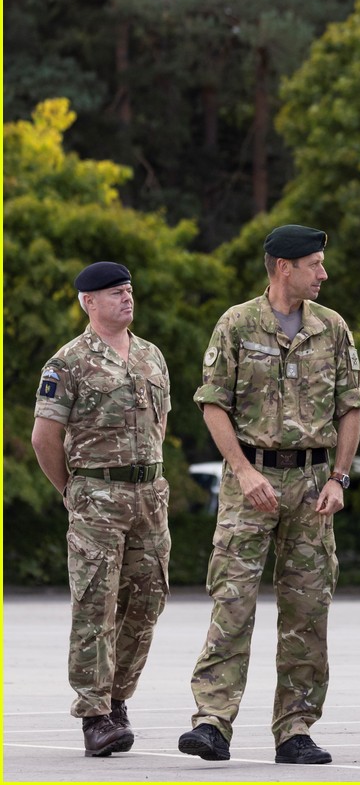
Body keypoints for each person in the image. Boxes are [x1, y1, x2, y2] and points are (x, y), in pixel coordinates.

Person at [177, 224, 360, 765]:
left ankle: (296, 728)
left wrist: (340, 477)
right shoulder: (237, 324)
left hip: (313, 485)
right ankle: (213, 721)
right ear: (283, 266)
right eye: (315, 264)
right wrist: (241, 471)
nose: (323, 274)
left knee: (308, 610)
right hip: (251, 483)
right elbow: (213, 402)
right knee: (232, 602)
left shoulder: (332, 328)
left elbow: (351, 405)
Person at [31, 261, 172, 758]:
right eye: (115, 293)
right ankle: (94, 715)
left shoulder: (152, 356)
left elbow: (159, 428)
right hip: (96, 497)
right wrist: (69, 490)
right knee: (95, 604)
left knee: (147, 602)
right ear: (88, 302)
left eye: (129, 290)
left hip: (150, 496)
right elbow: (44, 438)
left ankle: (117, 698)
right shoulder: (67, 363)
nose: (126, 299)